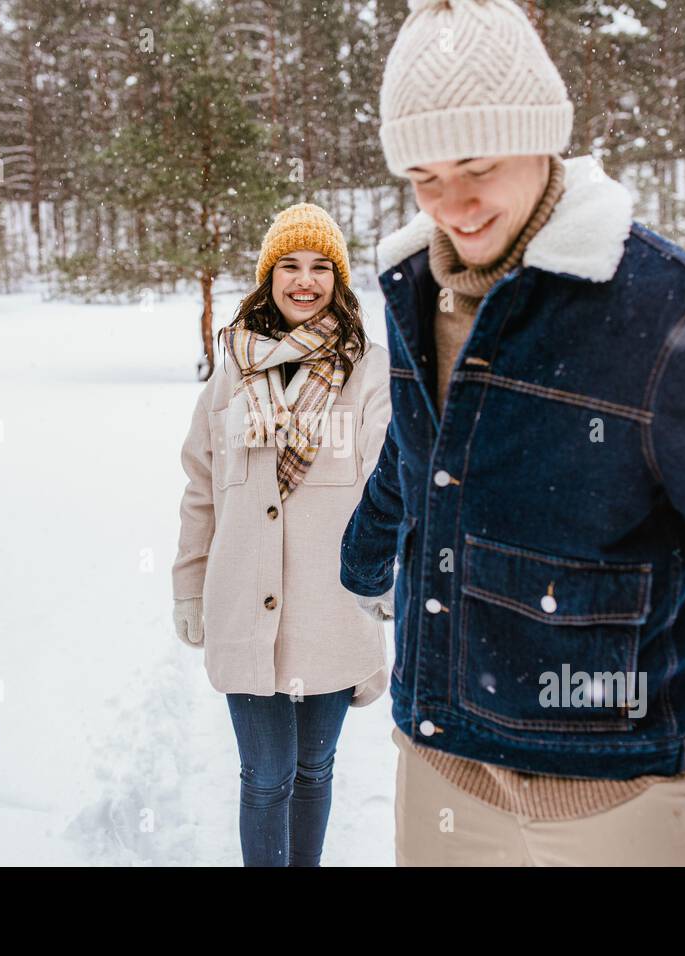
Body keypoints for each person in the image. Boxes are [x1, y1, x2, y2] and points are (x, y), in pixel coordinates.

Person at [340, 0, 685, 867]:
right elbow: (423, 452)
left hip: (620, 800)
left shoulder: (666, 313)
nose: (452, 205)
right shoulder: (415, 288)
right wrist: (365, 548)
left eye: (476, 165)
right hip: (443, 779)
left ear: (541, 138)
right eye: (423, 176)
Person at [172, 202, 392, 866]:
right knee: (266, 778)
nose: (305, 280)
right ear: (268, 276)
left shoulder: (370, 369)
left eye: (321, 267)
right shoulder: (232, 370)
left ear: (340, 279)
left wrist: (387, 583)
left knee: (314, 771)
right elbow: (201, 490)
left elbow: (391, 483)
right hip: (244, 605)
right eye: (289, 265)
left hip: (332, 609)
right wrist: (187, 588)